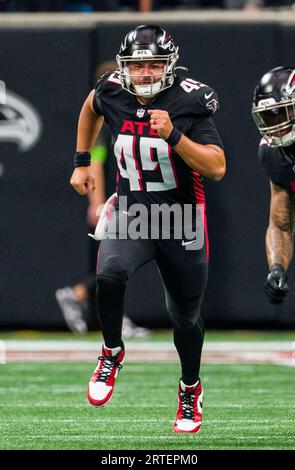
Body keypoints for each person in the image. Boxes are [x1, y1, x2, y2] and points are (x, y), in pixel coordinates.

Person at [70, 24, 225, 433]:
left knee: (185, 318)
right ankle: (111, 351)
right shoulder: (113, 90)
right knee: (109, 273)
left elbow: (216, 166)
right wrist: (82, 159)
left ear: (170, 64)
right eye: (136, 65)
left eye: (153, 63)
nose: (144, 73)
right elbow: (91, 106)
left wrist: (174, 135)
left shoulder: (189, 99)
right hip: (134, 212)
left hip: (181, 220)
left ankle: (190, 389)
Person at [56, 60, 150, 338]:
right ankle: (81, 295)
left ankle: (96, 304)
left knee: (119, 261)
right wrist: (96, 202)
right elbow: (95, 161)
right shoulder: (108, 112)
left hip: (126, 196)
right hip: (114, 198)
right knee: (117, 261)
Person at [252, 66, 295, 304]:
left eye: (282, 114)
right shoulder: (273, 153)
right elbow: (281, 225)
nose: (276, 124)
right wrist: (277, 267)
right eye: (270, 116)